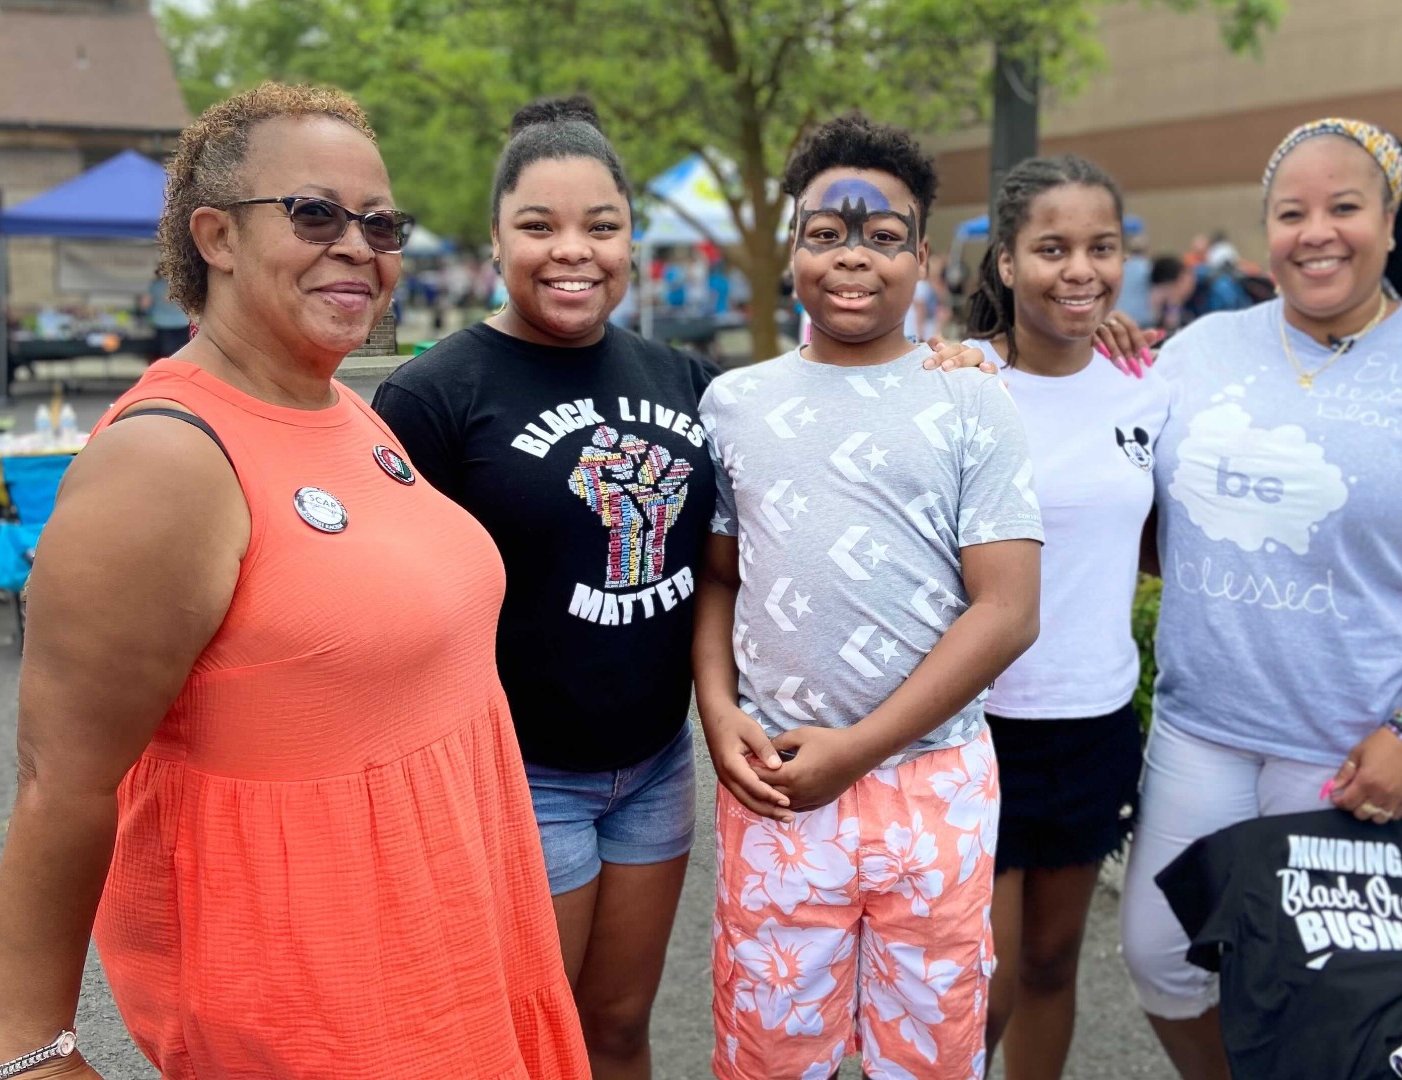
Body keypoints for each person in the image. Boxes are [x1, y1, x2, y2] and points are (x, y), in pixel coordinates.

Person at [372, 96, 991, 1080]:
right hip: (526, 777)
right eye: (538, 225)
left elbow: (729, 559)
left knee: (619, 1026)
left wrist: (950, 364)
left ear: (630, 239)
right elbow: (385, 605)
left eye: (600, 226)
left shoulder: (690, 381)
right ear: (494, 239)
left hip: (655, 770)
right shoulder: (435, 394)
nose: (571, 250)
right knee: (533, 1040)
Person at [0, 83, 586, 1080]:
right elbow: (62, 781)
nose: (360, 244)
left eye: (381, 222)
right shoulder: (167, 460)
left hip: (452, 949)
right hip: (319, 1001)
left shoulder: (345, 408)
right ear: (215, 236)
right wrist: (34, 1051)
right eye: (315, 213)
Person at [1120, 117, 1402, 1080]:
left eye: (1344, 207)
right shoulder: (1197, 351)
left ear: (1390, 224)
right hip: (1204, 729)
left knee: (1350, 999)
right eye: (1291, 212)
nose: (1318, 232)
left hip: (1363, 745)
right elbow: (1137, 511)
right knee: (1160, 959)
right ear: (1265, 230)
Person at [694, 113, 1043, 1080]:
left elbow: (1008, 609)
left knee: (926, 1060)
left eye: (883, 236)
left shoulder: (971, 398)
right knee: (770, 1055)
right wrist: (717, 713)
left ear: (923, 255)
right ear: (792, 245)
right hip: (774, 781)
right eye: (826, 233)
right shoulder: (735, 403)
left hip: (935, 791)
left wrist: (858, 751)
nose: (854, 258)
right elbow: (721, 578)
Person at [961, 155, 1171, 1079]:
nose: (1078, 269)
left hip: (1093, 723)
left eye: (1101, 247)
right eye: (1051, 248)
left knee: (1051, 964)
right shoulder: (961, 385)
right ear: (1006, 262)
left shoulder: (1147, 388)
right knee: (983, 984)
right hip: (978, 728)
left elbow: (1163, 541)